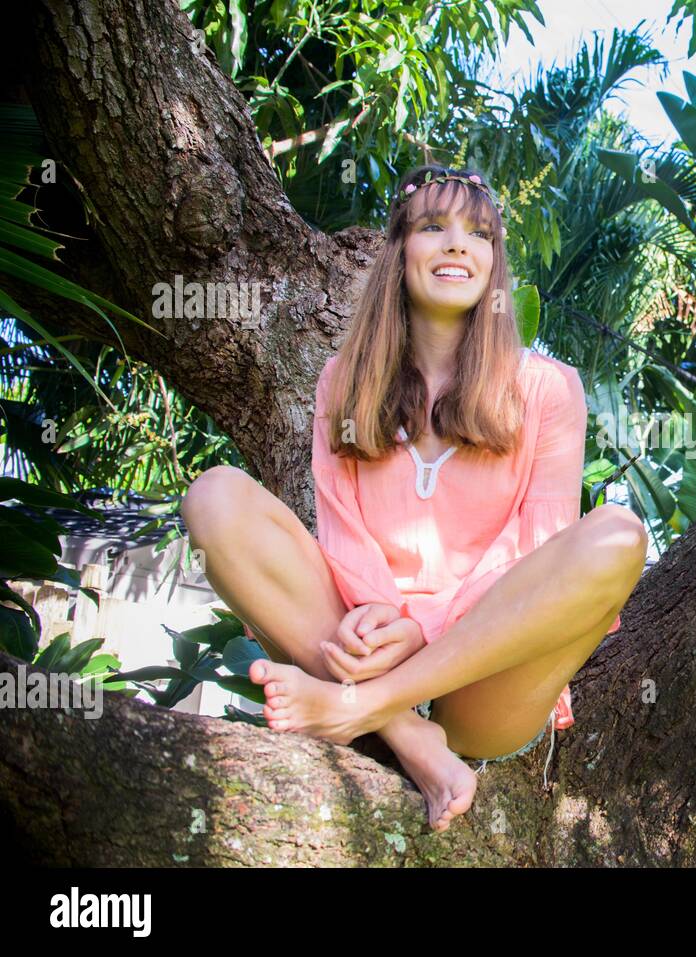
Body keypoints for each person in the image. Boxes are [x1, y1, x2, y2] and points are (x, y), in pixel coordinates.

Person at [180, 163, 647, 832]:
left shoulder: (547, 389)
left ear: (493, 262)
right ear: (399, 252)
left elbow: (536, 553)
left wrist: (423, 630)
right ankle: (405, 731)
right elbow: (341, 533)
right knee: (213, 496)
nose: (459, 245)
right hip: (360, 641)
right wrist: (384, 621)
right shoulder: (344, 384)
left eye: (478, 234)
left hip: (486, 679)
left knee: (619, 536)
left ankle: (361, 709)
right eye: (434, 226)